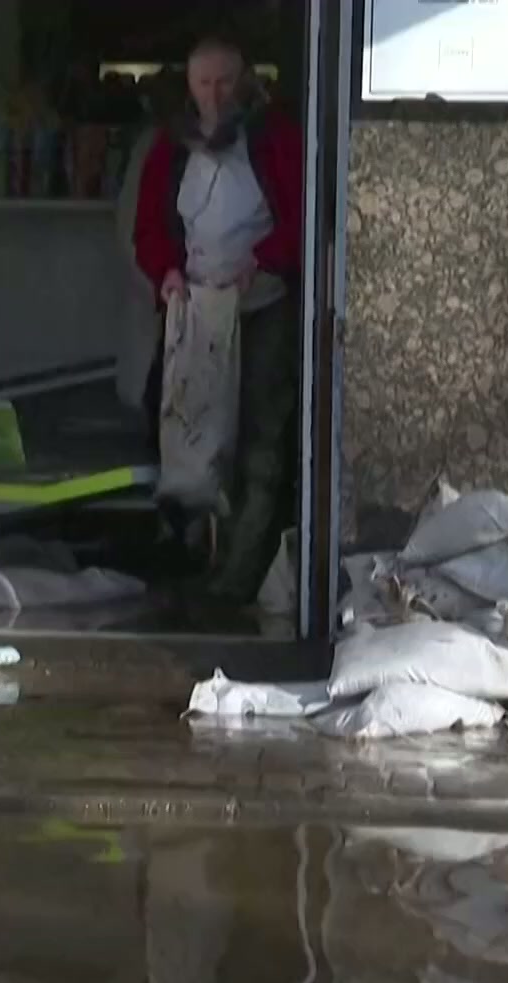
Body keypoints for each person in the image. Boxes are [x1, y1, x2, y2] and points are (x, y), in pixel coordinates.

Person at [132, 33, 305, 604]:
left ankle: (239, 575)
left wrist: (265, 261)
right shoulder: (172, 146)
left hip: (262, 307)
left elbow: (304, 217)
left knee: (260, 437)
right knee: (189, 432)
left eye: (225, 81)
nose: (214, 94)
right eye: (204, 83)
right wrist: (166, 271)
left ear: (244, 80)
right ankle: (188, 552)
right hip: (196, 312)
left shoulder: (276, 139)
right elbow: (149, 227)